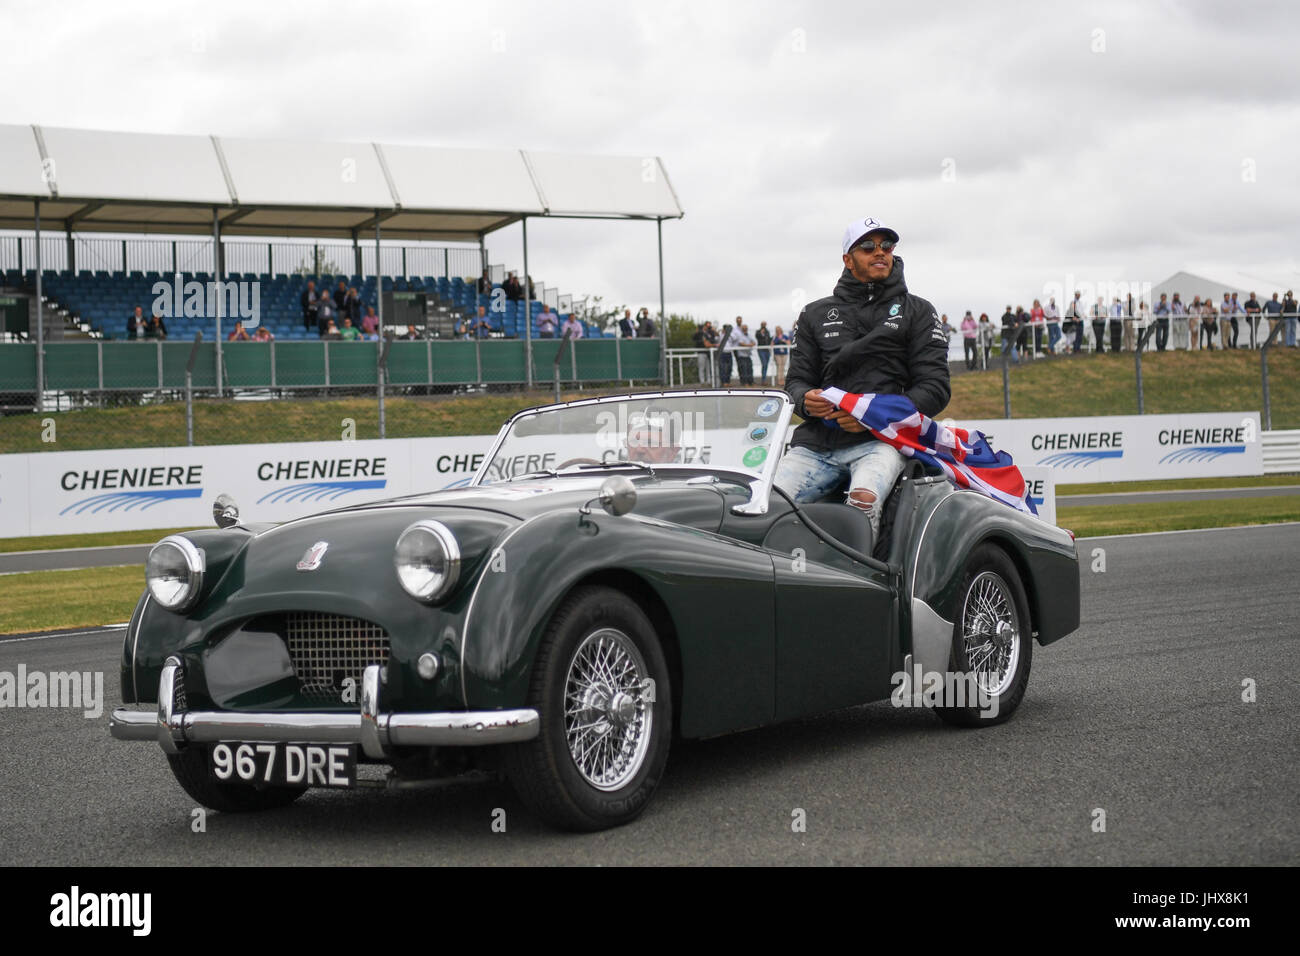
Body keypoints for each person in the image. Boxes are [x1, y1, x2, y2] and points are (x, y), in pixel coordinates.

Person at [774, 217, 950, 539]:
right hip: (816, 444)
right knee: (768, 504)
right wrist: (807, 401)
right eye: (867, 246)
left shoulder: (919, 311)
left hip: (880, 441)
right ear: (847, 259)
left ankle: (860, 581)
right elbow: (796, 383)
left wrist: (874, 416)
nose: (879, 252)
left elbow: (935, 388)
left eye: (887, 246)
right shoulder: (814, 313)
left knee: (863, 500)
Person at [692, 321, 717, 385]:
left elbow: (713, 338)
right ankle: (702, 381)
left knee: (708, 367)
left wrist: (712, 330)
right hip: (701, 352)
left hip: (708, 353)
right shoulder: (698, 334)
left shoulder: (708, 333)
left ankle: (709, 381)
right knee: (702, 367)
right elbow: (694, 338)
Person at [733, 320, 756, 385]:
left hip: (748, 355)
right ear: (742, 329)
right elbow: (741, 343)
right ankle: (744, 382)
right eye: (744, 328)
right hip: (741, 355)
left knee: (750, 369)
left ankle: (750, 382)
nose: (745, 329)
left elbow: (754, 342)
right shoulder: (740, 335)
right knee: (743, 370)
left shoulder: (749, 335)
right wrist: (749, 345)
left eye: (746, 328)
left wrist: (750, 344)